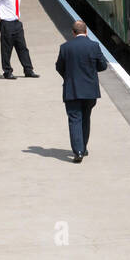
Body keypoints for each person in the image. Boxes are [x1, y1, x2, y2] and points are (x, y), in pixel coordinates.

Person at [55, 19, 108, 163]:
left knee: (74, 119)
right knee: (86, 117)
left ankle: (78, 151)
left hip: (72, 89)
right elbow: (103, 66)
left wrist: (69, 76)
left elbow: (59, 66)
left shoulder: (65, 47)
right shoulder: (94, 46)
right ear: (86, 31)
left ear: (73, 32)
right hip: (90, 90)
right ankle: (83, 147)